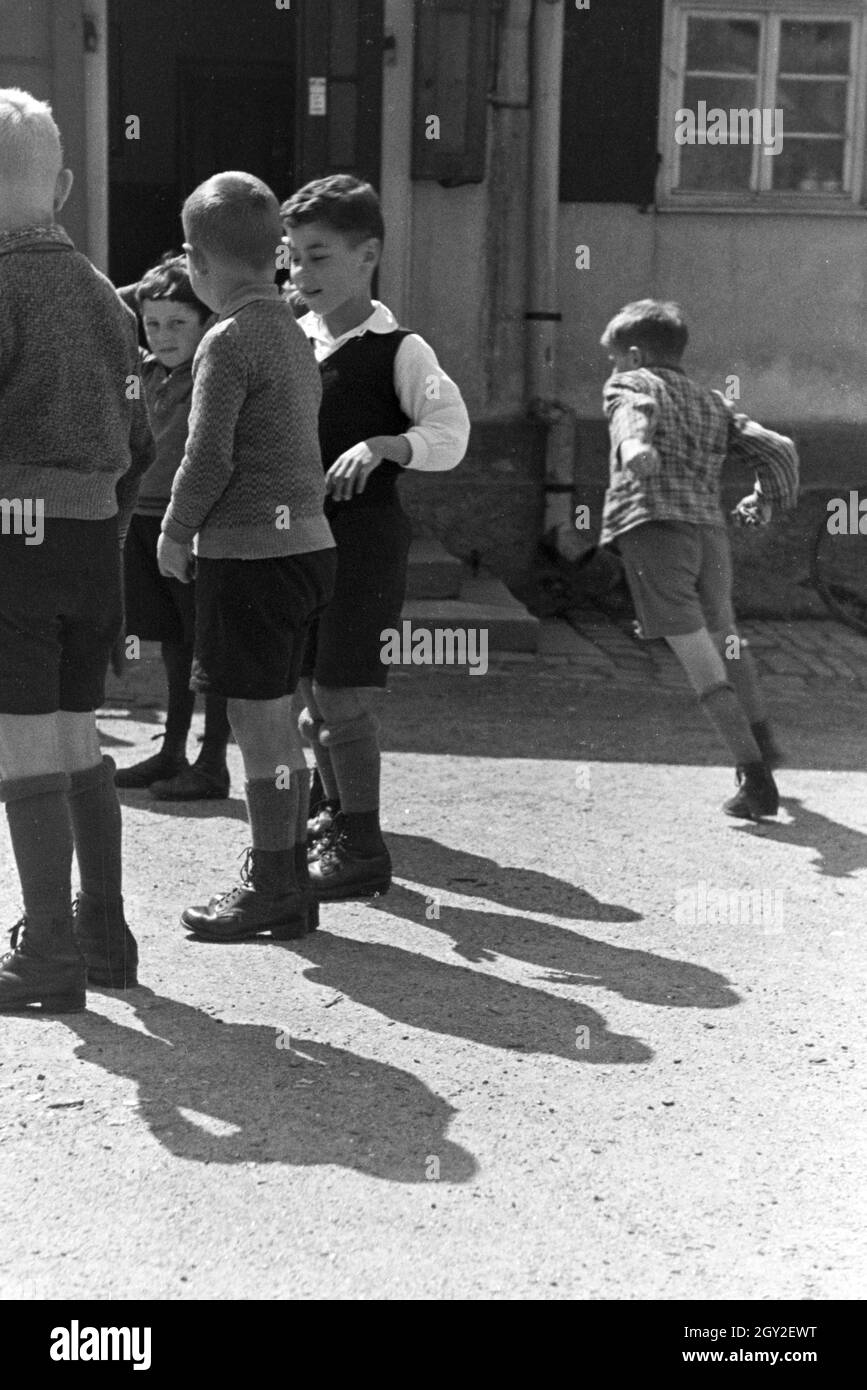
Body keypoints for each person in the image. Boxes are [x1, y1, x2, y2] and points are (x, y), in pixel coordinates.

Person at [0, 88, 154, 1010]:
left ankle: (46, 949)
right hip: (96, 538)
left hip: (13, 537)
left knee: (20, 742)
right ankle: (104, 930)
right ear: (59, 184)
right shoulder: (106, 293)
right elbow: (138, 436)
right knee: (74, 730)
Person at [157, 171, 336, 941]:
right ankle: (289, 876)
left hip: (249, 555)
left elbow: (207, 457)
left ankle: (273, 887)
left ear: (197, 263)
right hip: (307, 546)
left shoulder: (226, 340)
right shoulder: (296, 333)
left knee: (258, 723)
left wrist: (172, 530)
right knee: (281, 719)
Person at [280, 174, 470, 900]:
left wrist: (389, 445)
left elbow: (449, 434)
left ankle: (363, 844)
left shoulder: (398, 348)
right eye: (292, 257)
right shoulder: (292, 339)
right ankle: (332, 816)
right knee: (303, 689)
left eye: (320, 256)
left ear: (369, 256)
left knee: (344, 690)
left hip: (362, 545)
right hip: (294, 540)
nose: (302, 273)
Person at [599, 299, 799, 820]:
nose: (613, 370)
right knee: (725, 635)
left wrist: (634, 448)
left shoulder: (631, 383)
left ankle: (754, 780)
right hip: (708, 534)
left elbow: (632, 414)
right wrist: (766, 499)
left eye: (615, 359)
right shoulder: (712, 402)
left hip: (654, 528)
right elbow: (777, 449)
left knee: (697, 658)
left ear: (635, 355)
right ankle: (762, 743)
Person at [114, 253, 232, 800]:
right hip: (141, 519)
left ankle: (212, 761)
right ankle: (171, 752)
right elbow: (111, 304)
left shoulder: (211, 369)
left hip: (189, 524)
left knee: (209, 644)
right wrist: (159, 278)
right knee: (174, 644)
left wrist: (193, 274)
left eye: (179, 322)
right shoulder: (143, 371)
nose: (163, 335)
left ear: (205, 321)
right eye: (153, 323)